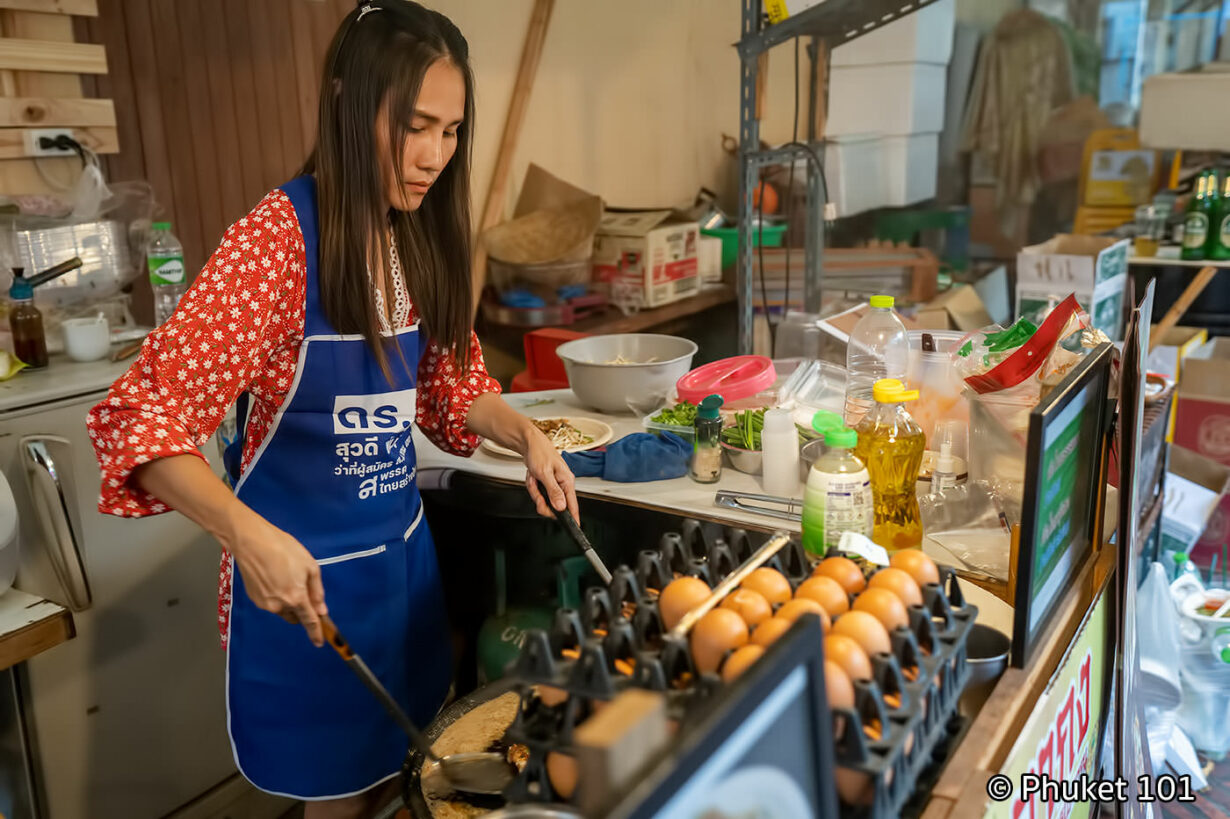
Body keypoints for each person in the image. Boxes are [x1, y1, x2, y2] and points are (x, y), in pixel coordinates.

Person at [87, 2, 578, 816]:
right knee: (339, 802)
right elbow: (144, 414)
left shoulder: (413, 233)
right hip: (301, 595)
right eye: (414, 125)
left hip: (402, 577)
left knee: (408, 778)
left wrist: (525, 432)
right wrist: (245, 535)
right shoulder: (276, 242)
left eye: (451, 132)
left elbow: (449, 387)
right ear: (350, 102)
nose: (433, 157)